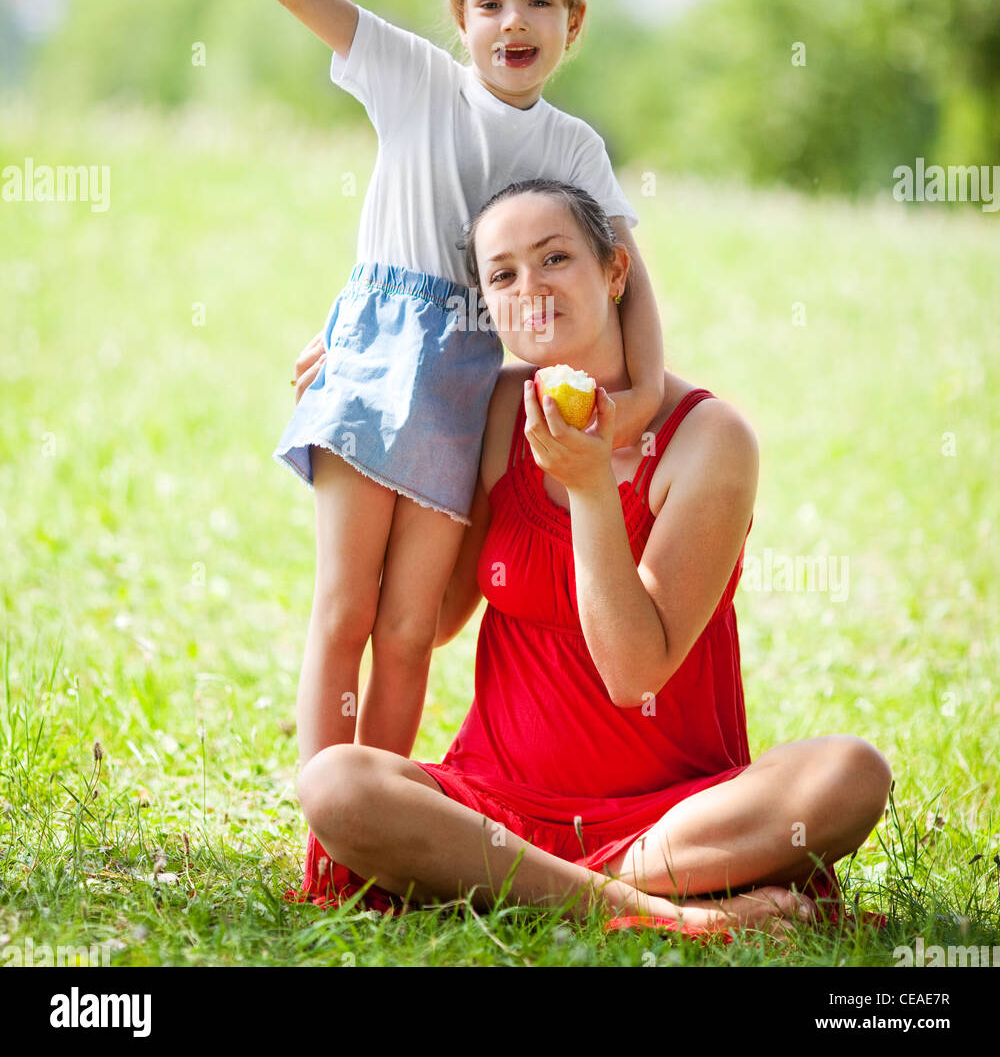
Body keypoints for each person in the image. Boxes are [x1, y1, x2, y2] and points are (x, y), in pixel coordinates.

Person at [118, 0, 665, 773]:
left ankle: (379, 826)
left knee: (411, 632)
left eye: (539, 2)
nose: (513, 21)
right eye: (490, 0)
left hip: (466, 390)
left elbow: (627, 272)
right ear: (461, 18)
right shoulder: (415, 79)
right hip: (370, 362)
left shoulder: (573, 147)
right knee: (345, 611)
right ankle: (326, 829)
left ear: (573, 25)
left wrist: (644, 391)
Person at [288, 180, 894, 939]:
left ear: (614, 272)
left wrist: (590, 489)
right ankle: (668, 914)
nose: (531, 288)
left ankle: (513, 881)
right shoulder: (495, 409)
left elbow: (633, 671)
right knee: (339, 785)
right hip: (496, 803)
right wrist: (354, 399)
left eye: (554, 259)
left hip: (671, 818)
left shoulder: (709, 440)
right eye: (503, 275)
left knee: (850, 774)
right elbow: (434, 618)